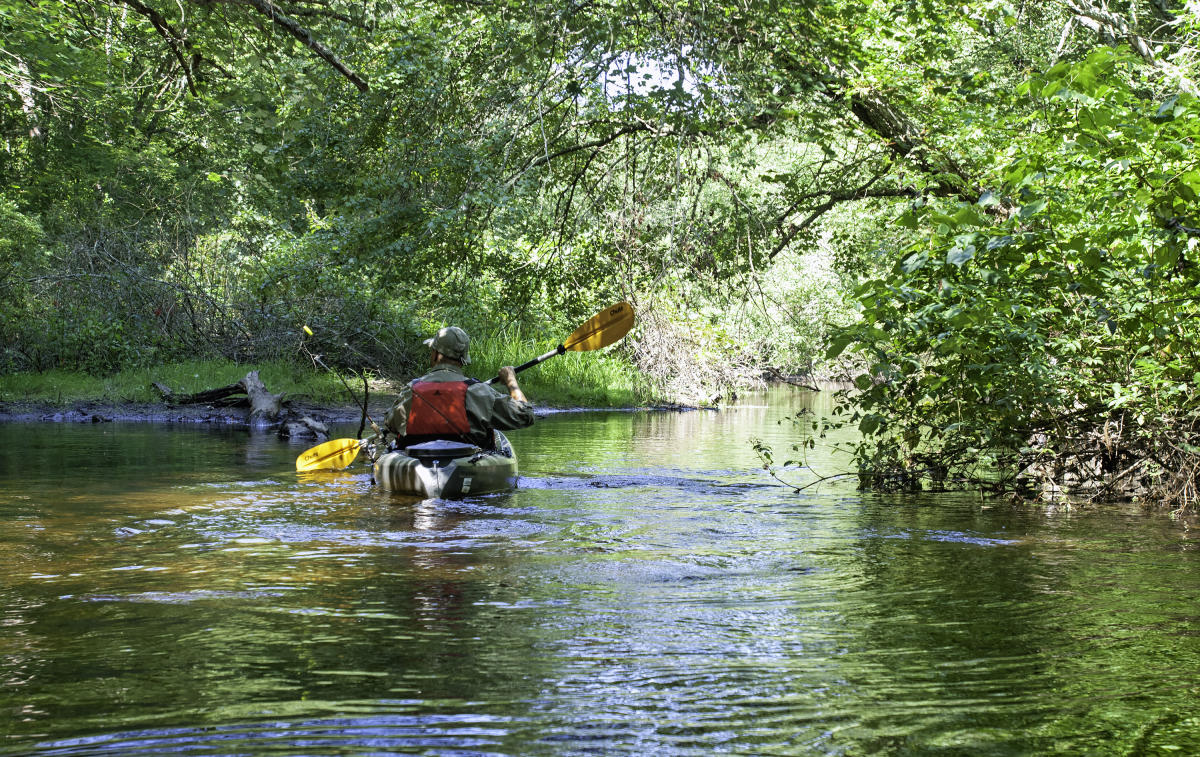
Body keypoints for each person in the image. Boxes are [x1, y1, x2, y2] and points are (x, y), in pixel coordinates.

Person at [384, 326, 534, 450]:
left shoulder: (412, 389)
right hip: (469, 465)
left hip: (416, 462)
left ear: (435, 354)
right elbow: (525, 415)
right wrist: (510, 380)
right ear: (463, 360)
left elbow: (390, 424)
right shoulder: (479, 391)